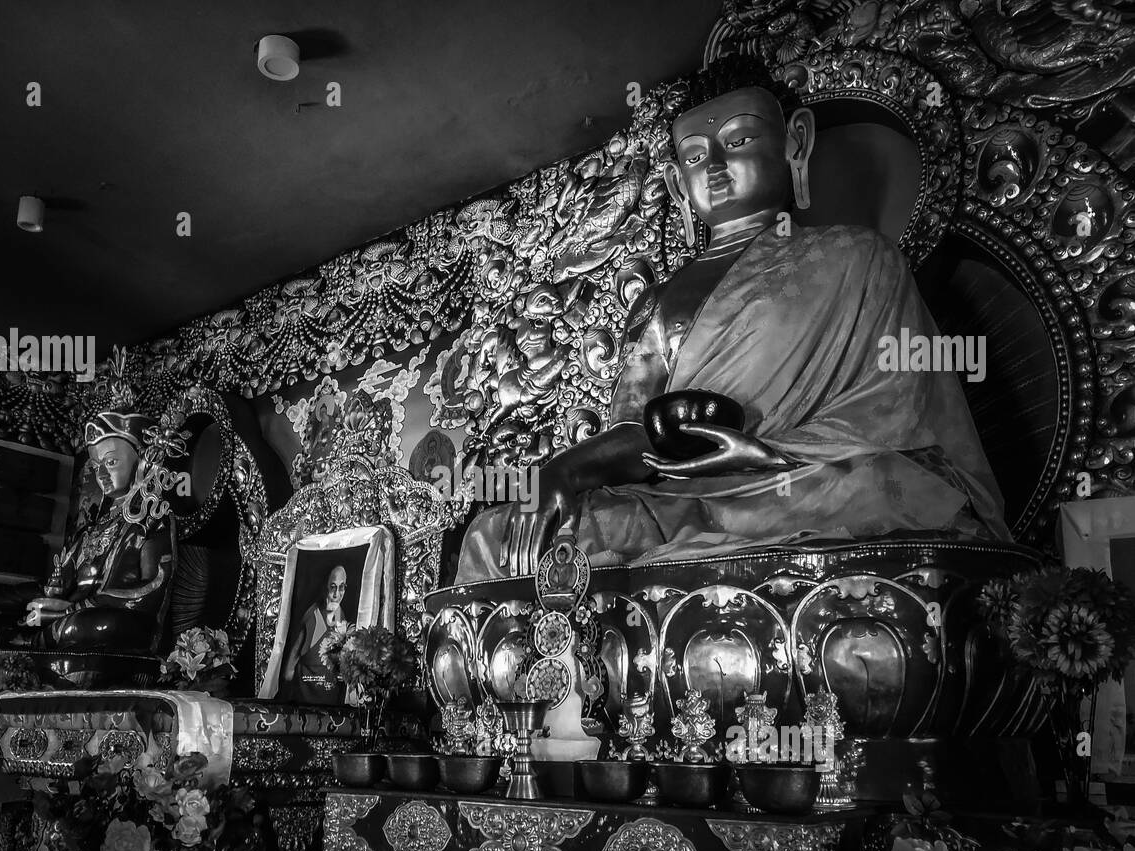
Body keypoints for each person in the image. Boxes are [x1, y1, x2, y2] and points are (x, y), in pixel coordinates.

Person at [455, 54, 1008, 582]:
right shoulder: (656, 301)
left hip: (800, 483)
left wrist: (766, 455)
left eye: (740, 141)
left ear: (796, 143)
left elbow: (900, 418)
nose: (715, 167)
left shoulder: (858, 257)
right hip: (681, 498)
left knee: (886, 488)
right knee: (493, 535)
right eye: (695, 156)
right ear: (676, 182)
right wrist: (565, 470)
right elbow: (634, 430)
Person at [0, 410, 178, 653]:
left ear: (142, 462)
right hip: (67, 615)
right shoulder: (90, 531)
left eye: (111, 462)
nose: (101, 474)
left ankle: (12, 639)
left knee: (87, 626)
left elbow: (152, 590)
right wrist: (51, 593)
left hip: (109, 621)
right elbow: (52, 588)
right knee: (30, 601)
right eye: (96, 465)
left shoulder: (151, 520)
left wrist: (69, 609)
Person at [283, 565, 350, 704]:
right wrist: (289, 670)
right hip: (308, 685)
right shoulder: (314, 614)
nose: (337, 594)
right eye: (333, 587)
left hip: (329, 686)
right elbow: (296, 650)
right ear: (326, 586)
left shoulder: (340, 613)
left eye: (341, 587)